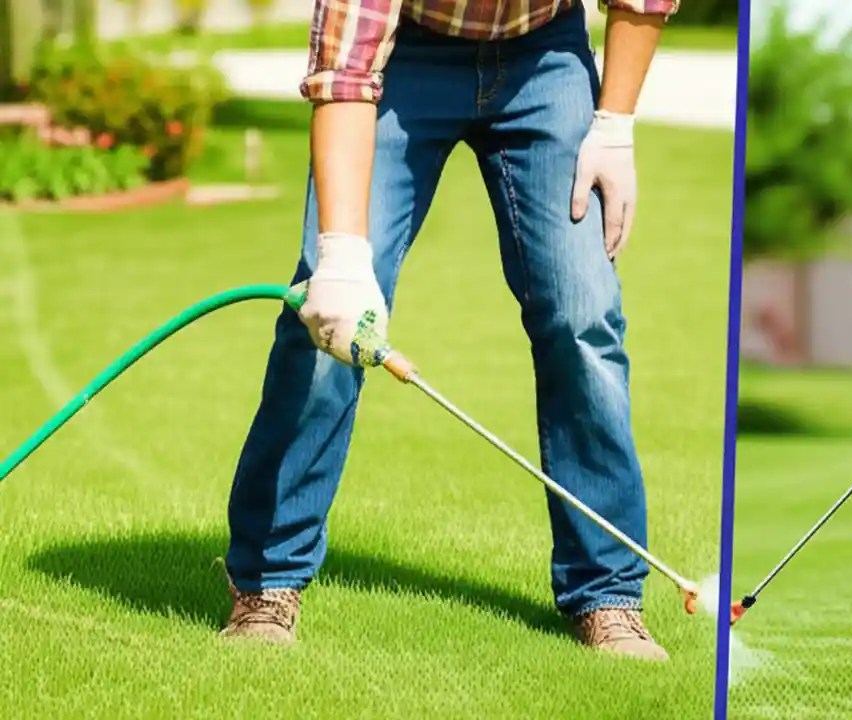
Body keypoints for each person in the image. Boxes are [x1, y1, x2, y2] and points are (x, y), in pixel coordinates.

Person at [216, 0, 679, 662]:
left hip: (544, 57)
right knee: (330, 314)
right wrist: (345, 257)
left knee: (583, 313)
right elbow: (345, 69)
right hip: (405, 54)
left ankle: (607, 590)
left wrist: (614, 122)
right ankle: (267, 579)